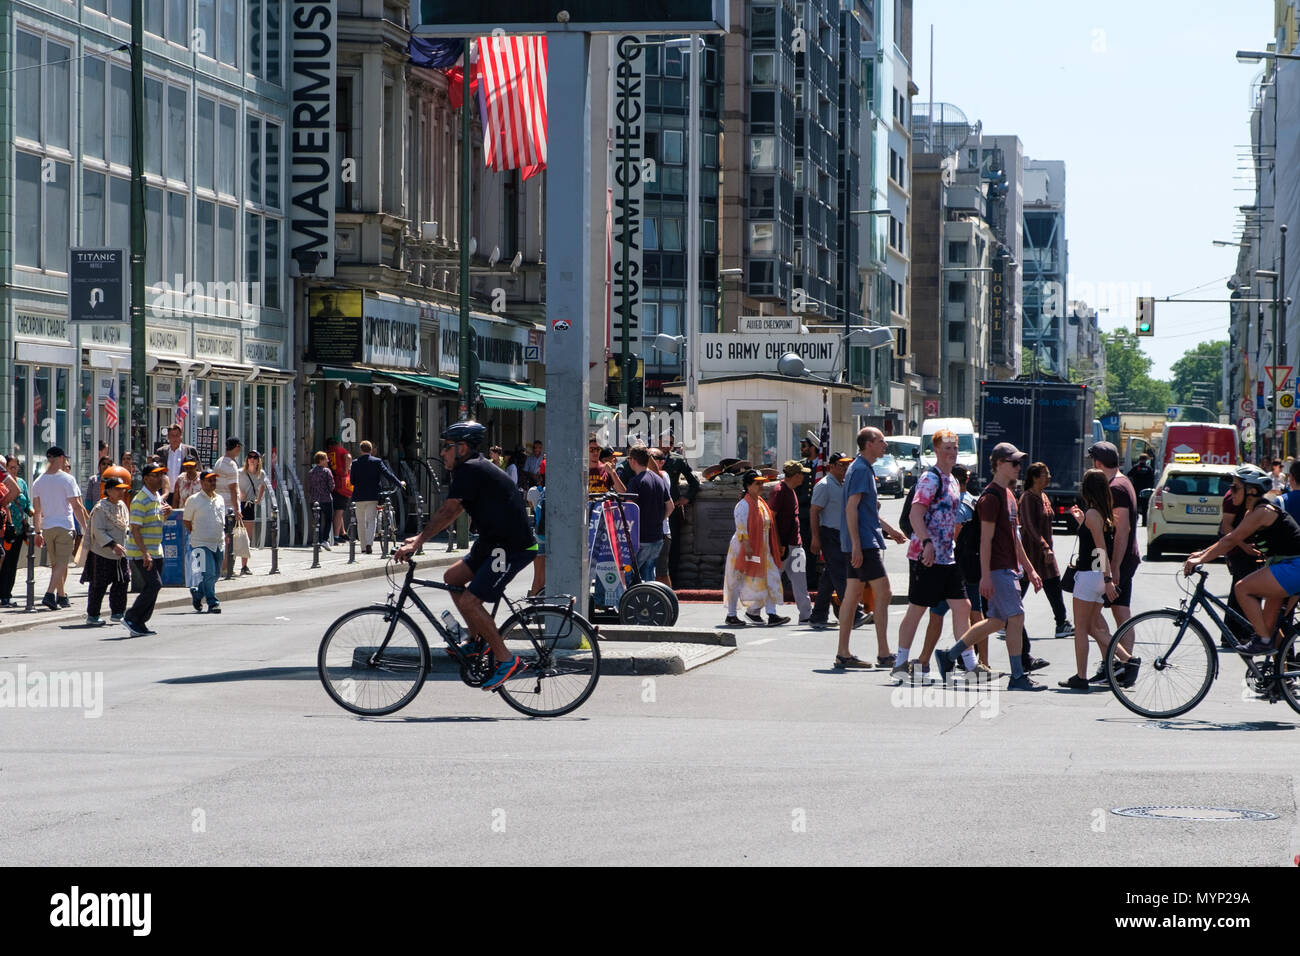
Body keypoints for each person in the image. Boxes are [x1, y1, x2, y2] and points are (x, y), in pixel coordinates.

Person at [395, 421, 540, 692]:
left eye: (446, 448)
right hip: (492, 542)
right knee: (452, 577)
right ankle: (476, 640)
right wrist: (420, 538)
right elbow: (457, 510)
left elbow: (449, 511)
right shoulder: (469, 469)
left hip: (512, 546)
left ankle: (506, 659)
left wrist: (419, 541)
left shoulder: (471, 469)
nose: (443, 453)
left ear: (462, 448)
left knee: (472, 602)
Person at [932, 442, 1047, 691]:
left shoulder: (1008, 495)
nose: (1019, 467)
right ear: (998, 464)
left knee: (996, 621)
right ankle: (1017, 676)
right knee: (1016, 617)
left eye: (1019, 462)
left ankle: (949, 656)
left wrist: (1030, 569)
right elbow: (985, 540)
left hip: (1007, 568)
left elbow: (1015, 537)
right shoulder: (990, 497)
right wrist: (985, 576)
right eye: (1014, 462)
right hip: (997, 569)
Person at [1184, 467, 1300, 655]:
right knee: (1269, 630)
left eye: (1235, 488)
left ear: (1251, 491)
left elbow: (1231, 539)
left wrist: (1200, 559)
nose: (1230, 492)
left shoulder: (1262, 512)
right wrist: (1201, 553)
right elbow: (1229, 539)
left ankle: (1262, 642)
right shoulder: (1252, 511)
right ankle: (1277, 678)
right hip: (1283, 567)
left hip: (1293, 567)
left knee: (1242, 588)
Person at [891, 430, 971, 684]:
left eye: (955, 448)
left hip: (947, 556)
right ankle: (900, 663)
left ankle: (970, 667)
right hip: (925, 556)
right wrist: (926, 543)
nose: (951, 452)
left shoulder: (953, 481)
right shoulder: (930, 478)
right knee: (917, 609)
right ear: (935, 450)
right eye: (946, 448)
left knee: (963, 607)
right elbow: (915, 515)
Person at [839, 427, 908, 670]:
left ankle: (843, 653)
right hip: (863, 543)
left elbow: (867, 510)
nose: (885, 444)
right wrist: (857, 544)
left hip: (862, 540)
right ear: (868, 444)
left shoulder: (861, 468)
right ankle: (883, 652)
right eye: (881, 441)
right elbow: (851, 508)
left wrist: (890, 530)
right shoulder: (860, 469)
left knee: (852, 596)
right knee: (884, 592)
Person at [1058, 470, 1122, 690]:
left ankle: (1082, 676)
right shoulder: (1104, 515)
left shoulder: (1093, 514)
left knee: (1081, 628)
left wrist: (1108, 578)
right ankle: (1116, 663)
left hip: (1089, 576)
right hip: (1097, 577)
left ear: (1087, 489)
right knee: (1095, 626)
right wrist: (1080, 520)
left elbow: (1100, 548)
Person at [722, 470, 789, 627]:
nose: (761, 486)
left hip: (762, 549)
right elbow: (741, 528)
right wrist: (747, 548)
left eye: (762, 483)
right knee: (737, 580)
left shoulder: (761, 504)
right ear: (748, 485)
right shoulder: (743, 505)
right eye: (757, 483)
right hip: (745, 549)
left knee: (769, 577)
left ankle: (770, 614)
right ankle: (731, 615)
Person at [1087, 441, 1141, 633]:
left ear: (1098, 464)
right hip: (1125, 557)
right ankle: (1125, 661)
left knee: (1089, 615)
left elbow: (1122, 529)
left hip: (1119, 559)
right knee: (1121, 612)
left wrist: (1114, 568)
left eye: (1093, 461)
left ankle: (1117, 658)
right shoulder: (1123, 481)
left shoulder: (1115, 488)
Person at [808, 453, 867, 629]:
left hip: (842, 534)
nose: (845, 468)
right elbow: (814, 511)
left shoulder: (844, 484)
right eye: (841, 465)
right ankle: (854, 614)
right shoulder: (825, 485)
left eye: (846, 465)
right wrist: (815, 537)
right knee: (840, 574)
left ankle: (818, 615)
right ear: (831, 466)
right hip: (829, 534)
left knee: (830, 576)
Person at [1019, 461, 1073, 638]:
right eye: (1045, 474)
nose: (1049, 477)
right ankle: (1007, 621)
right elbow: (1029, 526)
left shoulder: (1043, 496)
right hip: (1032, 553)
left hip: (1046, 554)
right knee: (1021, 585)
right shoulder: (1027, 498)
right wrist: (1044, 547)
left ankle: (1061, 623)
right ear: (1035, 478)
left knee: (1054, 585)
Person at [31, 446, 88, 610]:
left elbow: (37, 510)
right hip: (64, 526)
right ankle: (49, 594)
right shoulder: (67, 479)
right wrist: (84, 528)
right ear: (61, 458)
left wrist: (38, 531)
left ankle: (62, 596)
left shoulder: (38, 481)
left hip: (48, 527)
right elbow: (77, 506)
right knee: (62, 563)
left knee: (56, 565)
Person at [123, 463, 171, 636]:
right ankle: (131, 616)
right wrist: (145, 553)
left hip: (156, 549)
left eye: (161, 475)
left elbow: (155, 523)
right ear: (146, 478)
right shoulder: (140, 499)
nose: (160, 478)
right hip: (141, 552)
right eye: (155, 475)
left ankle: (139, 622)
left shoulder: (156, 497)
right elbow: (135, 529)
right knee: (154, 584)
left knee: (155, 586)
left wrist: (166, 514)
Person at [769, 460, 812, 623]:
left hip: (795, 545)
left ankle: (806, 614)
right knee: (773, 580)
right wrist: (778, 544)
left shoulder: (790, 490)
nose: (804, 477)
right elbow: (771, 518)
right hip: (784, 546)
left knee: (800, 581)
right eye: (802, 474)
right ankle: (755, 610)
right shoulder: (779, 490)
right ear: (795, 475)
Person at [84, 474, 131, 626]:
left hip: (120, 553)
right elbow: (98, 531)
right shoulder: (100, 508)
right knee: (99, 585)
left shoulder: (122, 505)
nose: (121, 492)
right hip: (102, 553)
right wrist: (113, 545)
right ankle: (93, 615)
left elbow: (126, 525)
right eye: (117, 489)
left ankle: (118, 612)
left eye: (123, 489)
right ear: (108, 491)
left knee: (122, 581)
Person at [625, 445, 673, 582]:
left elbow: (629, 510)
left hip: (641, 538)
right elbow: (670, 506)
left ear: (633, 460)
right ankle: (648, 601)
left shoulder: (635, 482)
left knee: (629, 575)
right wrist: (658, 520)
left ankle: (629, 603)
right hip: (657, 537)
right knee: (648, 575)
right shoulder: (659, 479)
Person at [184, 469, 228, 613]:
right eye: (209, 480)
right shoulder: (194, 500)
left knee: (215, 574)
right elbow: (187, 521)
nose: (212, 482)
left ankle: (197, 593)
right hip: (201, 543)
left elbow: (222, 519)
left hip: (218, 542)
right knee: (208, 573)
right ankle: (212, 602)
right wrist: (196, 534)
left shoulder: (220, 499)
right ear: (202, 482)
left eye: (214, 479)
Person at [350, 440, 404, 554]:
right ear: (371, 450)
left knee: (360, 522)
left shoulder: (355, 463)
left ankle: (363, 547)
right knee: (371, 520)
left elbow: (352, 481)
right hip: (372, 495)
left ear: (361, 450)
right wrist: (400, 483)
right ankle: (369, 543)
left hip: (359, 496)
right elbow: (388, 474)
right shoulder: (377, 461)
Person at [657, 435, 699, 585]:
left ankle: (672, 581)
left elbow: (694, 482)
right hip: (652, 507)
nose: (667, 445)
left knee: (672, 546)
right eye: (664, 441)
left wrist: (686, 498)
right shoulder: (651, 456)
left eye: (671, 442)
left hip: (672, 507)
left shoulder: (678, 460)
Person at [0, 455, 32, 608]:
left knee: (12, 564)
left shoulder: (21, 483)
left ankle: (7, 594)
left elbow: (27, 503)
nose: (13, 470)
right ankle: (3, 595)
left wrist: (35, 513)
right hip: (5, 529)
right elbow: (6, 506)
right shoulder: (2, 484)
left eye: (15, 467)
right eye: (10, 467)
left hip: (17, 530)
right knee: (3, 561)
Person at [155, 423, 200, 507]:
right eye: (172, 436)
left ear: (181, 436)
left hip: (183, 493)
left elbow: (198, 471)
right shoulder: (161, 452)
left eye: (177, 435)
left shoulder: (190, 450)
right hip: (165, 493)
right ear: (168, 437)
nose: (175, 438)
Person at [237, 451, 267, 574]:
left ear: (259, 460)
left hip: (249, 505)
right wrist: (240, 492)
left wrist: (258, 499)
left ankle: (244, 566)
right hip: (238, 504)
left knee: (247, 537)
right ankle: (228, 565)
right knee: (234, 535)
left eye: (255, 457)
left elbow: (263, 486)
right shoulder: (240, 472)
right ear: (247, 459)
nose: (252, 459)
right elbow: (233, 485)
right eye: (250, 457)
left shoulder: (261, 474)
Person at [325, 437, 352, 545]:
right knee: (339, 510)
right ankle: (336, 535)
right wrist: (346, 470)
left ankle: (342, 532)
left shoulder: (328, 452)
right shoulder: (340, 450)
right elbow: (348, 456)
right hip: (342, 483)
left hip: (333, 482)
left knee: (337, 508)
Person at [526, 459, 546, 596]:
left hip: (538, 536)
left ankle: (534, 610)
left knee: (538, 577)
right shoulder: (559, 491)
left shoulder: (533, 491)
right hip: (555, 538)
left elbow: (531, 506)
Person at [307, 451, 335, 549]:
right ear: (321, 460)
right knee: (328, 519)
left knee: (316, 522)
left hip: (314, 500)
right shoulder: (327, 471)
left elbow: (309, 487)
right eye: (326, 459)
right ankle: (324, 540)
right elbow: (332, 486)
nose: (327, 460)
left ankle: (317, 542)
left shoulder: (311, 472)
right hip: (326, 499)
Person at [214, 437, 242, 517]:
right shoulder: (231, 464)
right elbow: (233, 488)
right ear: (237, 447)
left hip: (218, 505)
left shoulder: (219, 461)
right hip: (229, 509)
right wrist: (236, 510)